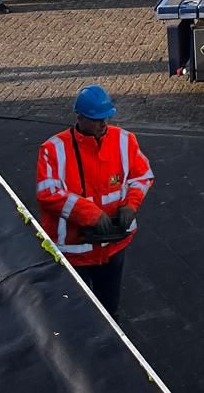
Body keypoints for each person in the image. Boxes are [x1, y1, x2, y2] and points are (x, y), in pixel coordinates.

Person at [35, 84, 154, 317]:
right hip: (73, 250)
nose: (103, 124)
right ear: (80, 117)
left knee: (109, 305)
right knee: (74, 311)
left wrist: (131, 205)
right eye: (97, 119)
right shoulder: (53, 149)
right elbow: (48, 193)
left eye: (106, 118)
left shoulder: (125, 141)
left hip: (113, 246)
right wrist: (92, 214)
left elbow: (142, 176)